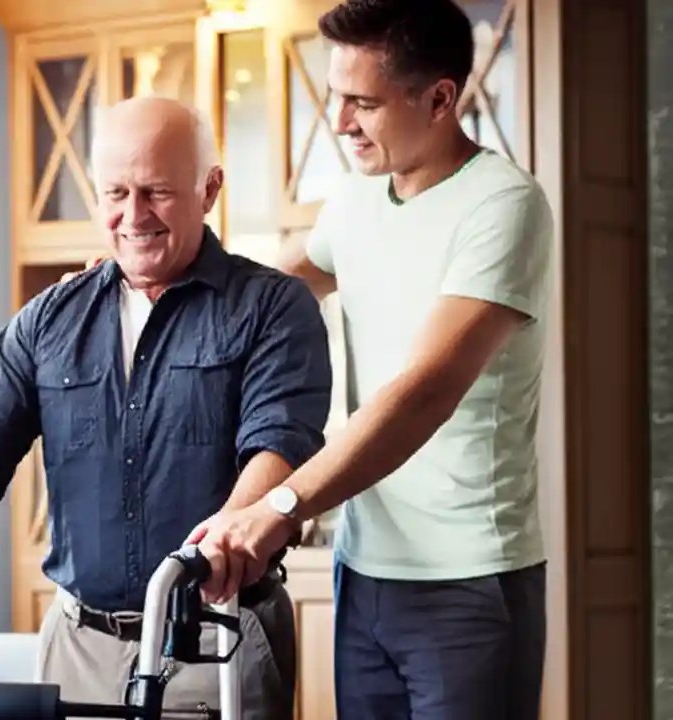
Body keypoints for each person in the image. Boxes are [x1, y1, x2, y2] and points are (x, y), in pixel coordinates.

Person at [0, 96, 333, 718]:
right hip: (77, 647)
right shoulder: (50, 318)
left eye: (156, 191)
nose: (134, 215)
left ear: (209, 190)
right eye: (116, 193)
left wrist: (224, 539)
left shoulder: (272, 307)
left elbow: (279, 444)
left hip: (213, 637)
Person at [186, 1, 555, 718]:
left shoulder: (504, 206)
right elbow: (257, 301)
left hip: (471, 582)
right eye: (337, 99)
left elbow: (424, 391)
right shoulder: (352, 203)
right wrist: (136, 277)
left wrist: (282, 505)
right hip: (365, 572)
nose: (342, 123)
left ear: (441, 98)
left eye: (364, 103)